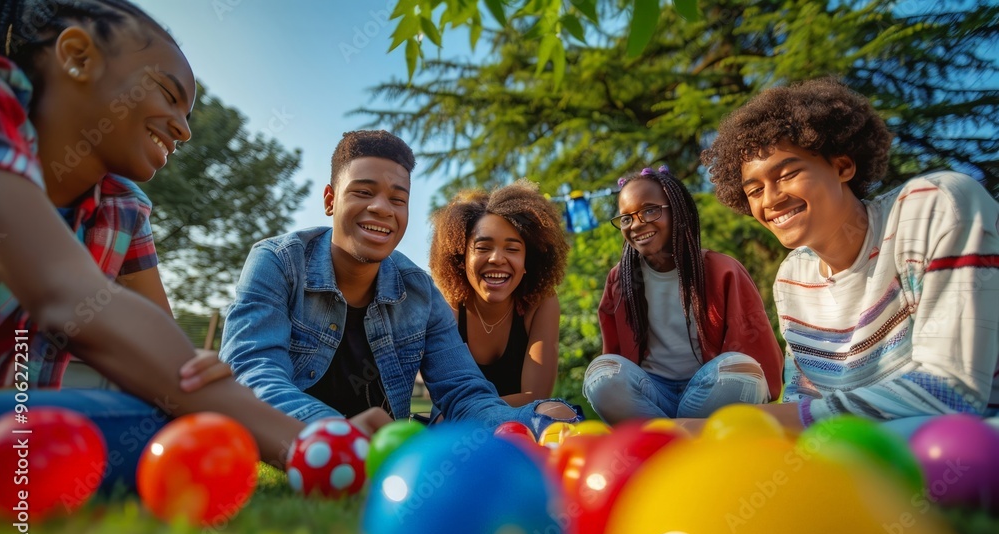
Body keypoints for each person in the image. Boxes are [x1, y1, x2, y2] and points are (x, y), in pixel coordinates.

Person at [0, 0, 387, 490]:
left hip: (23, 416)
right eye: (168, 93)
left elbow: (181, 378)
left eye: (187, 113)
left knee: (185, 422)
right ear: (77, 56)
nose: (183, 129)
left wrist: (320, 444)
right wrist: (318, 445)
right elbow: (66, 296)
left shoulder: (122, 209)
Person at [219, 130, 580, 432]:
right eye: (363, 191)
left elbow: (464, 395)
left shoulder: (420, 293)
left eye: (398, 198)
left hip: (381, 459)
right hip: (298, 440)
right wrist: (335, 431)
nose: (382, 208)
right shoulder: (278, 263)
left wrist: (534, 421)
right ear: (330, 200)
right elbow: (251, 371)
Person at [700, 77, 999, 431]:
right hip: (864, 453)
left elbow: (952, 392)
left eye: (788, 173)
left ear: (842, 167)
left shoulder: (933, 208)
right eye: (754, 190)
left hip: (970, 447)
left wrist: (750, 424)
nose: (770, 199)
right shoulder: (793, 277)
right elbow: (803, 397)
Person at [583, 166, 783, 424]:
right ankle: (684, 436)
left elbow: (751, 348)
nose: (637, 224)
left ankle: (667, 437)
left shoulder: (723, 270)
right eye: (626, 218)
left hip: (708, 391)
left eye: (649, 210)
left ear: (678, 212)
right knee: (602, 374)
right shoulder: (620, 279)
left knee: (740, 368)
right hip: (652, 393)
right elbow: (617, 354)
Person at [428, 180, 569, 406]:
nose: (497, 259)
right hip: (456, 432)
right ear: (461, 259)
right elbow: (432, 403)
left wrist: (474, 411)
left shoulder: (542, 303)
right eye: (483, 248)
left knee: (555, 410)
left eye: (512, 249)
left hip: (514, 427)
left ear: (528, 262)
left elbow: (537, 398)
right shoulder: (447, 305)